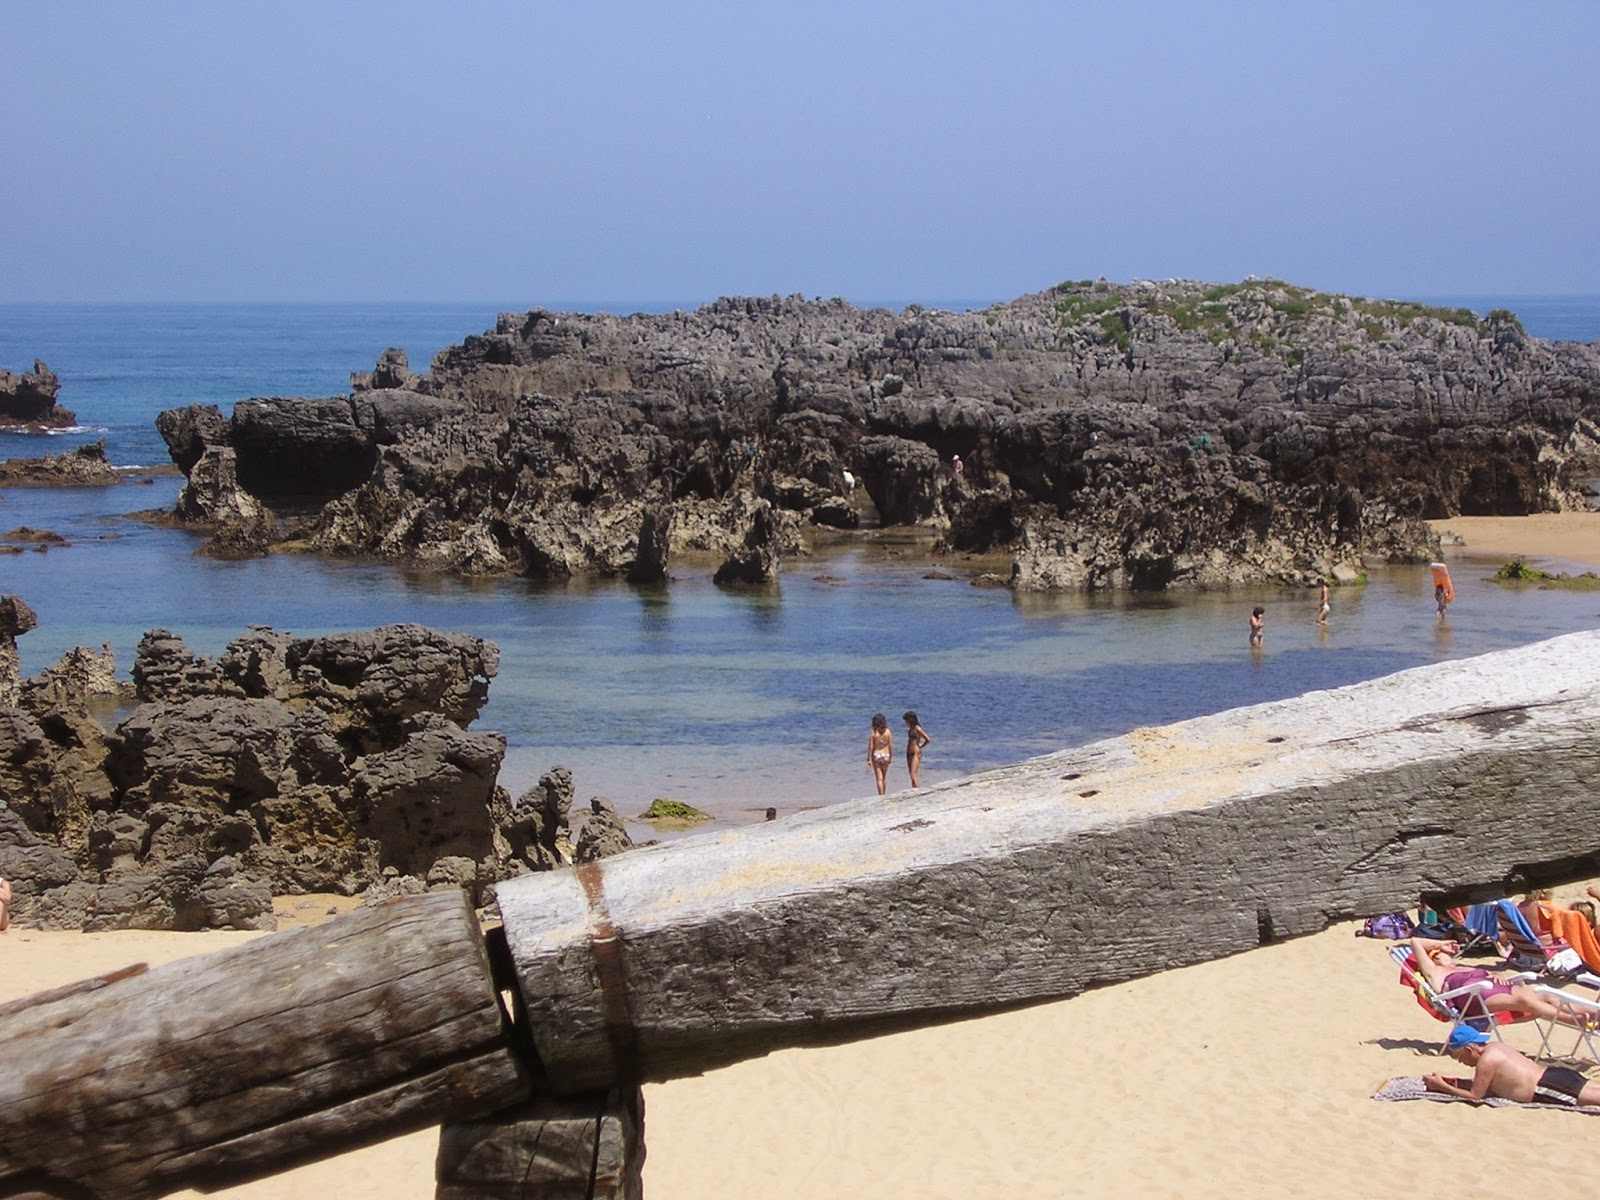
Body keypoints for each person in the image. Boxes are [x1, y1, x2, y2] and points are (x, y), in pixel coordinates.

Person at [1405, 934, 1589, 1028]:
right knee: (1525, 1001)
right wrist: (1440, 944)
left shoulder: (1462, 966)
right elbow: (1415, 941)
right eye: (1444, 953)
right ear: (1435, 957)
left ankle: (1593, 1014)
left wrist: (1497, 974)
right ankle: (1574, 1020)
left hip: (1495, 987)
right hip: (1473, 996)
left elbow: (1488, 973)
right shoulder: (1434, 972)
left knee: (1545, 996)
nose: (1449, 953)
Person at [1425, 1024, 1600, 1106]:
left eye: (1459, 1057)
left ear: (1469, 1050)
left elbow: (1475, 1096)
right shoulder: (1496, 1047)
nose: (1460, 1062)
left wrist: (1442, 1087)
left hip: (1547, 1086)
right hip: (1556, 1074)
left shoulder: (1486, 1061)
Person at [902, 711, 932, 788]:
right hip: (909, 753)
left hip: (915, 753)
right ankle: (914, 789)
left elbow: (927, 739)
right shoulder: (910, 729)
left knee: (913, 774)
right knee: (911, 774)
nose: (905, 723)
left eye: (906, 721)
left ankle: (918, 790)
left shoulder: (917, 728)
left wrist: (921, 746)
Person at [867, 712, 892, 795]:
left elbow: (871, 747)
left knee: (879, 778)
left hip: (877, 754)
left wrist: (868, 759)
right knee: (884, 777)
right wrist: (890, 757)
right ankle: (884, 794)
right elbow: (890, 746)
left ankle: (880, 795)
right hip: (886, 754)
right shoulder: (888, 732)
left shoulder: (874, 732)